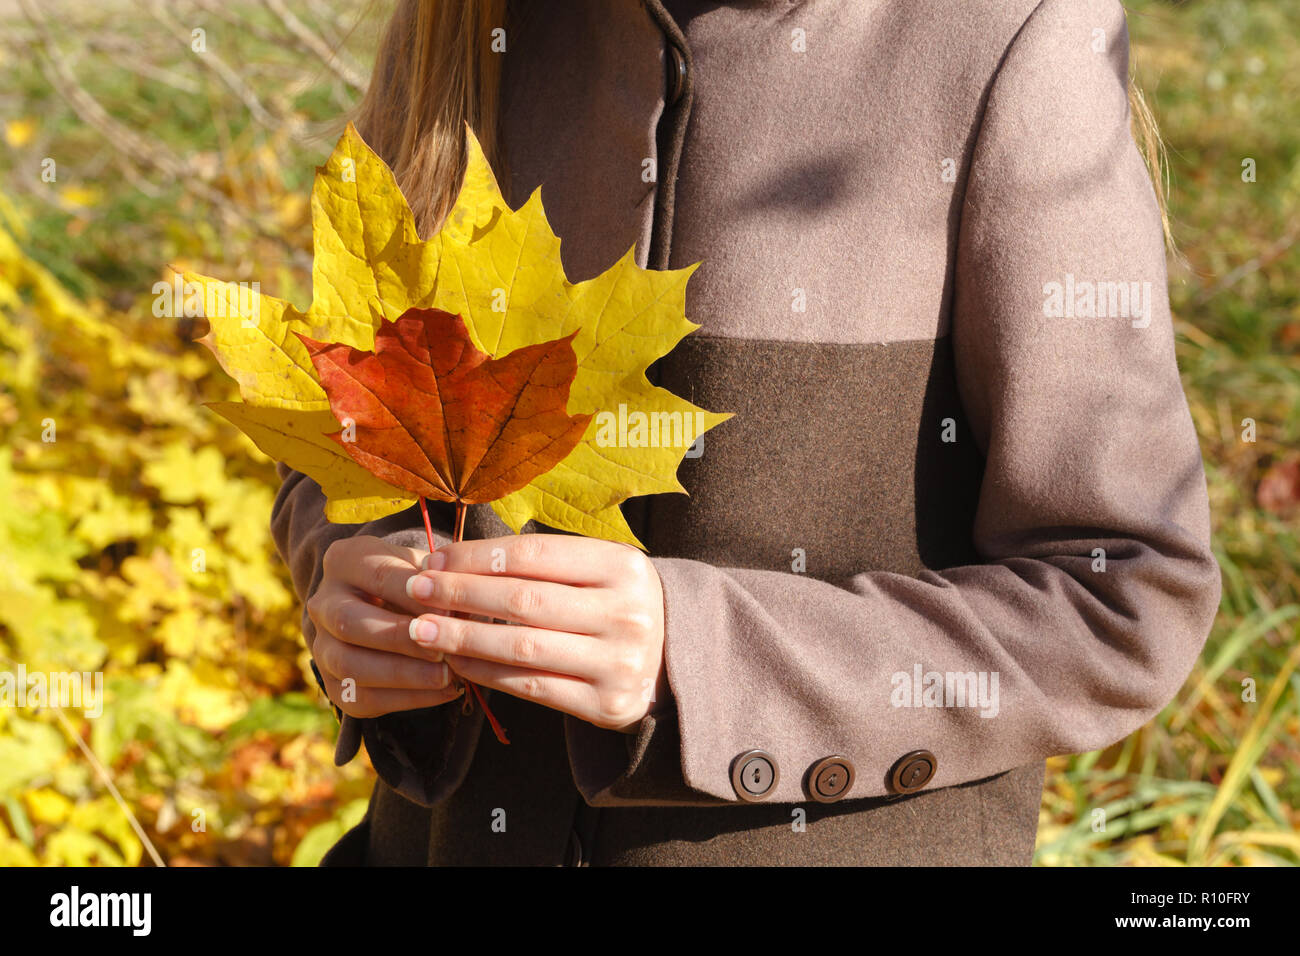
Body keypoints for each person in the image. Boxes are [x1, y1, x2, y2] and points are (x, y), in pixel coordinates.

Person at [272, 0, 1221, 865]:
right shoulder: (477, 27)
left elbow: (1123, 594)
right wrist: (355, 570)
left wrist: (700, 659)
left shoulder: (1010, 37)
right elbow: (337, 438)